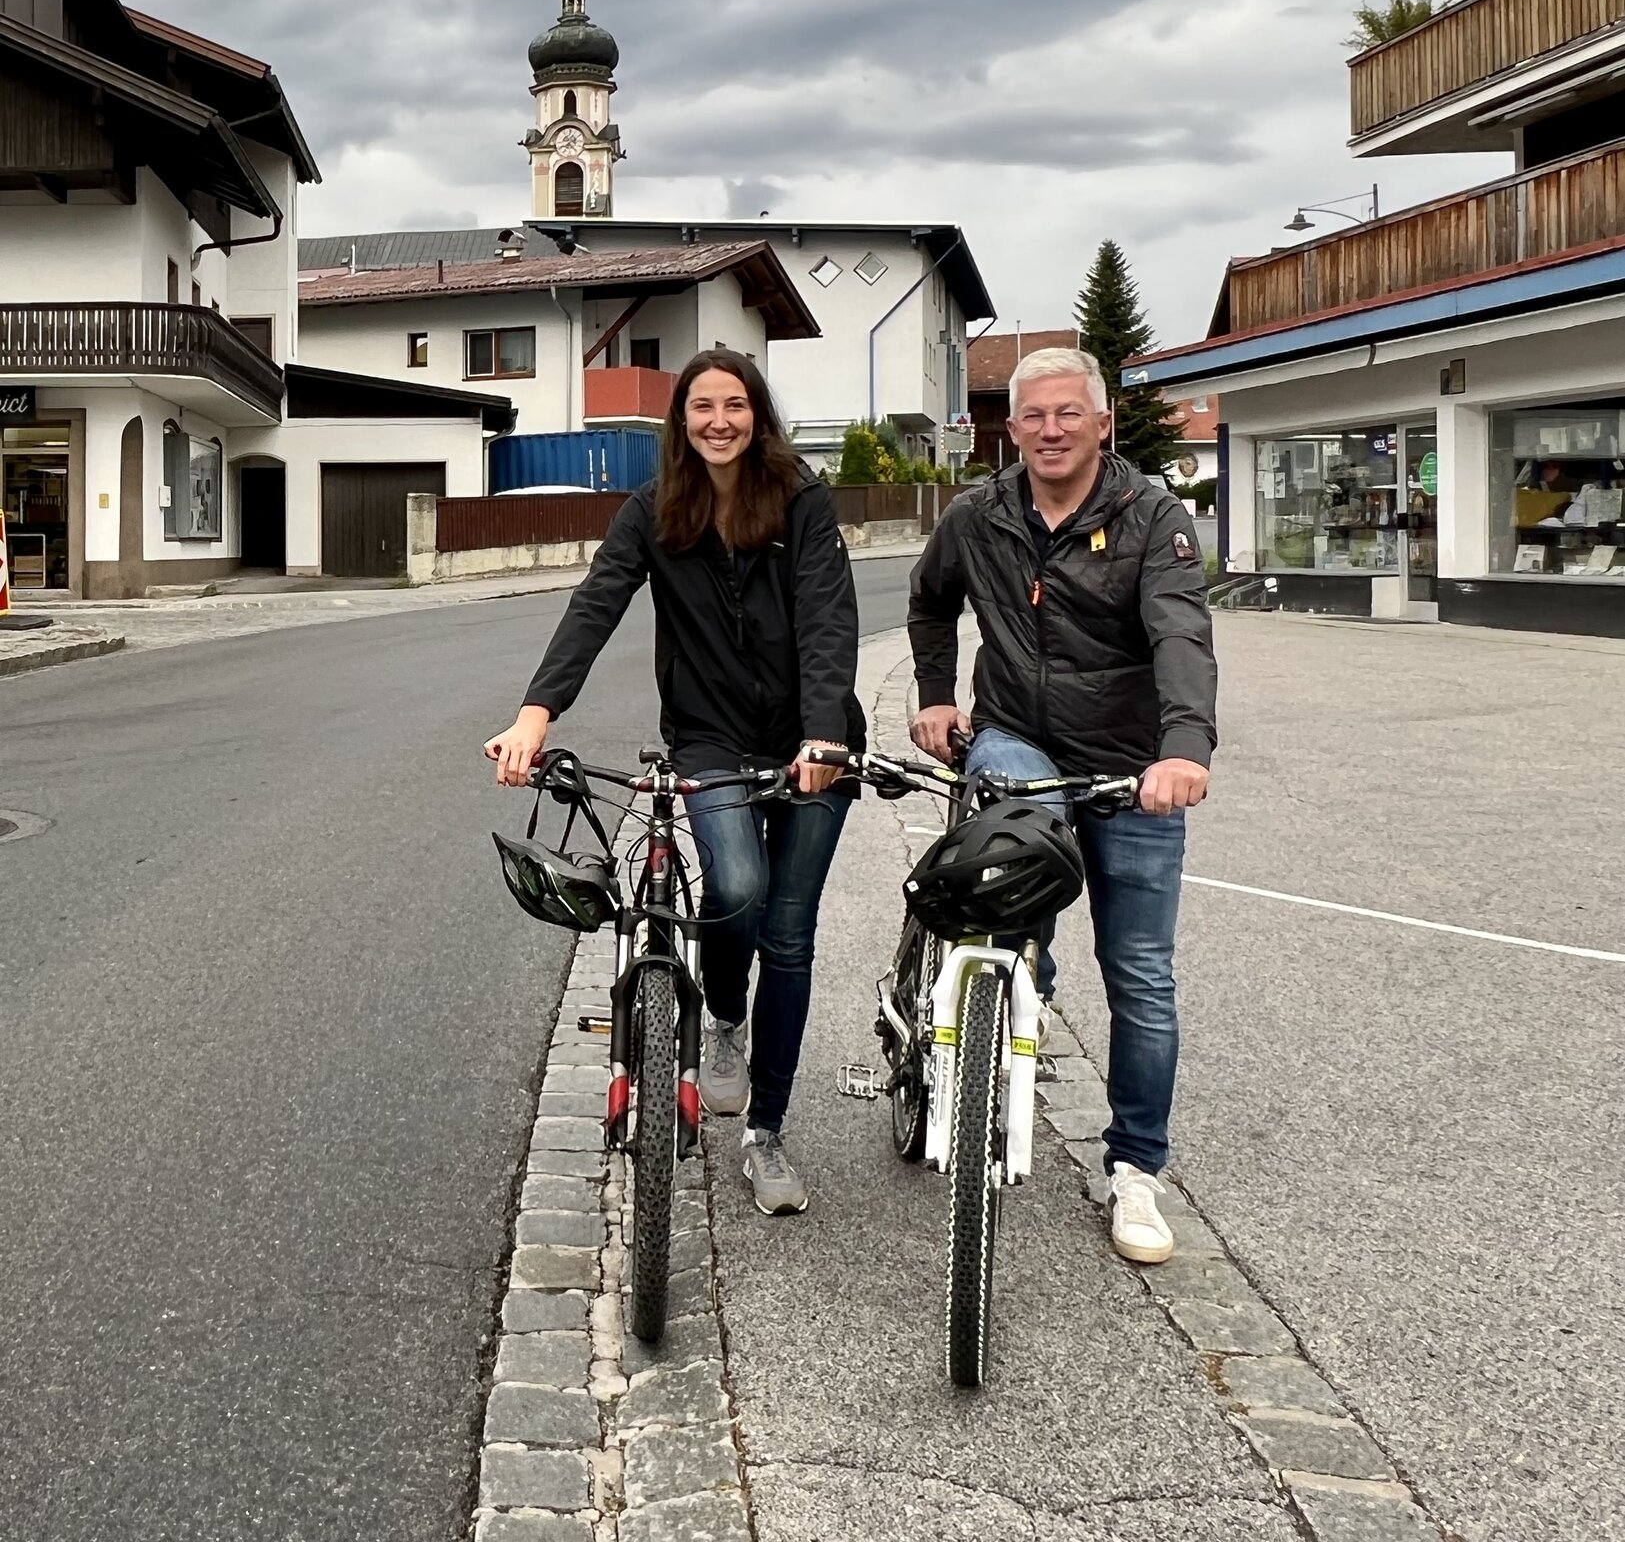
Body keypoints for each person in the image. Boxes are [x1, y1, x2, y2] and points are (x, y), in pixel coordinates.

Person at [485, 348, 862, 1216]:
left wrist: (823, 732)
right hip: (709, 735)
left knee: (792, 936)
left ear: (757, 415)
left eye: (734, 405)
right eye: (702, 407)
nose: (718, 421)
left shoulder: (800, 499)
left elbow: (827, 616)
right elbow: (596, 603)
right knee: (733, 889)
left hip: (814, 739)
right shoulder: (654, 510)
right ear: (681, 420)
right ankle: (724, 1018)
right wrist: (536, 714)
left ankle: (765, 1132)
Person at [908, 345, 1217, 1265]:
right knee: (999, 912)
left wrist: (1183, 750)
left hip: (1129, 762)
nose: (1049, 430)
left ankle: (1135, 1173)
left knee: (1141, 977)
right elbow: (929, 605)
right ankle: (1002, 1003)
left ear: (1101, 421)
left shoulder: (1151, 517)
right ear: (1013, 428)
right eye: (1033, 416)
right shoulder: (978, 515)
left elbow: (1181, 636)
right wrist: (933, 695)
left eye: (1067, 414)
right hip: (1016, 738)